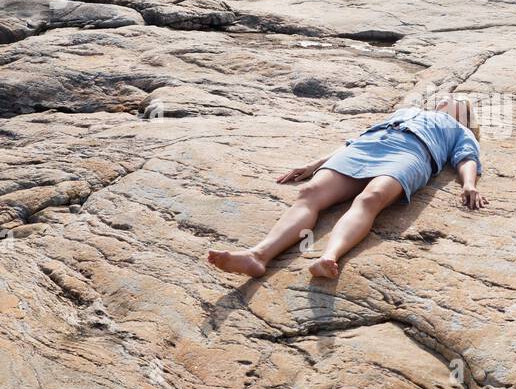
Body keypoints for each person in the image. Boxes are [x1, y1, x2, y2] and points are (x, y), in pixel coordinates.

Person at [207, 95, 485, 279]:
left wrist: (469, 184)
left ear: (465, 114)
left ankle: (329, 257)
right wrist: (316, 163)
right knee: (309, 193)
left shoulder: (459, 130)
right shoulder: (408, 111)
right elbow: (359, 137)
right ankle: (257, 255)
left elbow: (466, 157)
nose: (448, 99)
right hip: (368, 146)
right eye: (446, 98)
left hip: (412, 153)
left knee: (371, 198)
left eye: (457, 101)